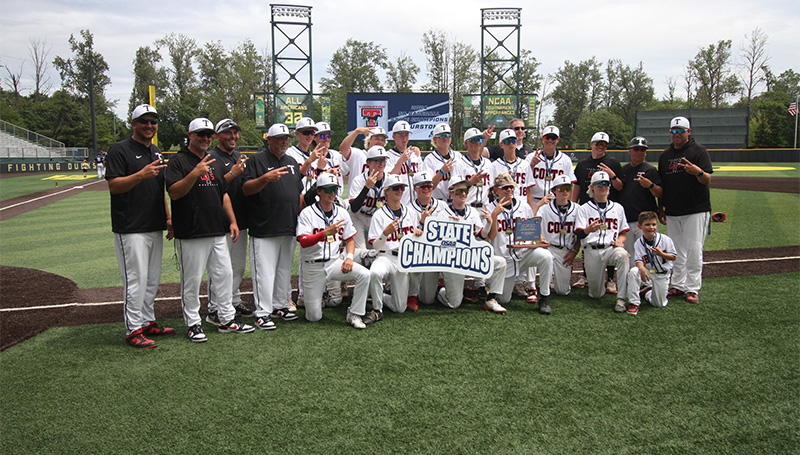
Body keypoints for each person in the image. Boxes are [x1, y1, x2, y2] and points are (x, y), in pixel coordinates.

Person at [166, 118, 254, 342]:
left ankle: (226, 319)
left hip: (216, 228)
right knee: (192, 280)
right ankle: (193, 323)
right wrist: (195, 172)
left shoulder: (212, 162)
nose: (204, 139)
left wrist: (232, 221)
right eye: (200, 135)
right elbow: (174, 192)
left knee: (224, 275)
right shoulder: (178, 161)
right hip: (192, 230)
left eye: (207, 135)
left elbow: (222, 193)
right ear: (190, 135)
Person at [106, 104, 175, 349]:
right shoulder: (119, 150)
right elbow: (114, 186)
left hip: (154, 224)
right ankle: (133, 329)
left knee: (152, 279)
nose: (149, 126)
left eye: (153, 121)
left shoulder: (156, 152)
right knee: (135, 279)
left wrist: (168, 219)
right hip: (130, 226)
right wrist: (140, 175)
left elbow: (160, 191)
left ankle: (147, 321)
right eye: (144, 121)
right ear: (133, 124)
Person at [242, 123, 304, 330]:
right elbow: (246, 189)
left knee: (284, 270)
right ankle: (262, 312)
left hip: (287, 225)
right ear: (268, 139)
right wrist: (264, 179)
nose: (284, 141)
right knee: (264, 273)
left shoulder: (292, 162)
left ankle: (279, 305)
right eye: (278, 138)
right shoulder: (257, 160)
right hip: (264, 227)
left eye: (286, 138)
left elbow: (298, 193)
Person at [295, 173, 372, 329]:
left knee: (364, 274)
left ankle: (354, 313)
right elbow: (303, 242)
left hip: (334, 262)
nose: (332, 193)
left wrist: (349, 257)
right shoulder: (307, 213)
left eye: (335, 189)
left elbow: (350, 239)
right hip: (313, 266)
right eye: (328, 189)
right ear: (318, 191)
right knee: (314, 317)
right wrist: (323, 234)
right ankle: (318, 298)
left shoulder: (341, 213)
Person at [657, 116, 713, 304]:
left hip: (695, 209)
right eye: (674, 131)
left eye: (681, 131)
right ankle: (678, 285)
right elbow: (662, 185)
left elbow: (707, 179)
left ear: (688, 132)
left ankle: (692, 288)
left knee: (694, 249)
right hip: (673, 210)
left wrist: (697, 171)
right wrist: (661, 208)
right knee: (676, 250)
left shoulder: (699, 151)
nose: (677, 134)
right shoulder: (665, 156)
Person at [205, 118, 254, 325]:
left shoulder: (239, 156)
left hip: (240, 219)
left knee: (237, 266)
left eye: (235, 133)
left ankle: (233, 300)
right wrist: (232, 174)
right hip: (219, 220)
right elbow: (211, 187)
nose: (233, 137)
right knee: (219, 268)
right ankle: (214, 307)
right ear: (217, 136)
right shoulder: (210, 157)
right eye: (228, 133)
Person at [436, 174, 508, 313]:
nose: (463, 194)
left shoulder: (473, 212)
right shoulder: (442, 214)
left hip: (470, 256)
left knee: (500, 262)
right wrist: (451, 229)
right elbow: (440, 244)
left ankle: (491, 298)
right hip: (453, 260)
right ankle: (441, 291)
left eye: (465, 191)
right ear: (451, 193)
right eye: (458, 191)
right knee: (454, 303)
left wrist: (489, 223)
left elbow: (482, 235)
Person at [487, 173, 553, 314]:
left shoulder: (524, 206)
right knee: (504, 299)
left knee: (546, 256)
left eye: (511, 187)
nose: (509, 190)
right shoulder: (489, 208)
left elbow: (532, 231)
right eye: (505, 188)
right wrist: (494, 216)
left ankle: (544, 297)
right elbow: (492, 236)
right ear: (496, 190)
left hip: (524, 254)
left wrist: (540, 238)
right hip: (505, 259)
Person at [572, 131, 623, 292]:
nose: (600, 147)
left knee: (608, 240)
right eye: (598, 143)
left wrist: (612, 175)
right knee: (586, 242)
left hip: (606, 207)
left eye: (604, 144)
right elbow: (578, 186)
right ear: (592, 144)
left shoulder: (612, 162)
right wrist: (574, 204)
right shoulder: (583, 164)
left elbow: (620, 186)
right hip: (587, 207)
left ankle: (610, 279)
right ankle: (587, 275)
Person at [489, 128, 537, 301]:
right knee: (504, 245)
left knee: (527, 245)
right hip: (503, 209)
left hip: (521, 209)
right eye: (508, 141)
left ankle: (528, 284)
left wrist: (531, 212)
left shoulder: (524, 164)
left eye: (514, 141)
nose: (512, 144)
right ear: (501, 144)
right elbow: (491, 191)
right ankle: (499, 282)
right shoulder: (495, 166)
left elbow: (529, 191)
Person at [574, 171, 629, 312]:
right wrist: (589, 230)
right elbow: (579, 233)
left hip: (611, 248)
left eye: (606, 184)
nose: (603, 187)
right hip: (592, 250)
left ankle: (621, 299)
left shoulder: (618, 208)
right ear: (592, 187)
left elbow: (623, 233)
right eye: (599, 184)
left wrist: (620, 242)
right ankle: (599, 285)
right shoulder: (584, 208)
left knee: (622, 255)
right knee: (596, 294)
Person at [367, 174, 417, 321]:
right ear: (386, 191)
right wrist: (385, 233)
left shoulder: (411, 213)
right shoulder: (379, 215)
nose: (400, 191)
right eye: (396, 188)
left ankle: (379, 295)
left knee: (399, 308)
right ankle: (377, 309)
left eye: (402, 188)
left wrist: (418, 234)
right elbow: (375, 246)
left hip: (403, 259)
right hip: (385, 256)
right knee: (375, 272)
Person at [618, 136, 663, 267]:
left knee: (647, 252)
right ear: (630, 151)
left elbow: (660, 193)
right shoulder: (624, 170)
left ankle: (647, 283)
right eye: (636, 149)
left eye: (642, 150)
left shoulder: (650, 170)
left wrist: (650, 185)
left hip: (645, 220)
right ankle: (631, 282)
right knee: (628, 254)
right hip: (627, 219)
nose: (639, 152)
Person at [532, 175, 580, 297]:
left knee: (562, 291)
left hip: (565, 250)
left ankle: (553, 279)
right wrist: (537, 206)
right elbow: (532, 225)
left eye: (567, 188)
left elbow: (581, 234)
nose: (564, 191)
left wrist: (574, 251)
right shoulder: (545, 208)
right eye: (561, 188)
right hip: (548, 247)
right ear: (554, 190)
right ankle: (531, 286)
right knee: (532, 251)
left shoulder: (578, 209)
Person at [405, 171, 446, 310]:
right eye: (423, 187)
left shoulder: (442, 205)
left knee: (428, 300)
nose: (427, 189)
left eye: (429, 186)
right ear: (415, 189)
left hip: (438, 253)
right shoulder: (409, 209)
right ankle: (412, 295)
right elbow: (409, 237)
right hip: (419, 253)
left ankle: (442, 288)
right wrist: (422, 223)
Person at [625, 211, 677, 315]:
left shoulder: (665, 239)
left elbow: (673, 257)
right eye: (647, 225)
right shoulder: (639, 242)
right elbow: (638, 260)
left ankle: (647, 292)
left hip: (662, 273)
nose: (651, 227)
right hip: (649, 271)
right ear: (640, 226)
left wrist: (662, 254)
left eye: (653, 224)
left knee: (659, 304)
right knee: (634, 271)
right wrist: (642, 269)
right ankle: (634, 303)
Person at [348, 146, 390, 250]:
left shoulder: (389, 179)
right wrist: (367, 187)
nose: (381, 163)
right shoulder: (359, 180)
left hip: (376, 219)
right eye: (377, 160)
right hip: (358, 218)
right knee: (361, 251)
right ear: (369, 163)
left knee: (379, 250)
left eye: (383, 160)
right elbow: (354, 208)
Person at [526, 125, 576, 202]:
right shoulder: (531, 158)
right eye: (547, 137)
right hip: (535, 200)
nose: (550, 140)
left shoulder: (565, 160)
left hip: (556, 201)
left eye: (553, 138)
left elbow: (569, 185)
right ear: (542, 138)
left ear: (558, 139)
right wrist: (531, 166)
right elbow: (524, 181)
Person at [340, 126, 388, 195]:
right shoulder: (359, 154)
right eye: (377, 139)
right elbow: (343, 148)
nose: (380, 142)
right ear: (369, 140)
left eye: (382, 140)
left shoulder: (386, 159)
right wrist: (356, 132)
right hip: (356, 197)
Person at [454, 128, 493, 209]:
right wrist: (470, 182)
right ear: (466, 144)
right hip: (467, 207)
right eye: (474, 140)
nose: (478, 142)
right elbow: (455, 190)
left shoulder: (488, 163)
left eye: (480, 139)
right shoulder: (459, 164)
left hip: (485, 207)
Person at [386, 120, 423, 205]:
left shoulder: (415, 154)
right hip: (398, 204)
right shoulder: (388, 156)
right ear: (394, 136)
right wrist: (400, 161)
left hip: (416, 205)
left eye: (406, 135)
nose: (404, 138)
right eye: (401, 135)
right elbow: (388, 180)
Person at [423, 123, 461, 202]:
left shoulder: (458, 156)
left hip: (456, 201)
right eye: (442, 136)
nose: (445, 138)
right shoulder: (429, 159)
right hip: (438, 202)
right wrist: (441, 172)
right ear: (434, 139)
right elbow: (428, 187)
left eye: (448, 135)